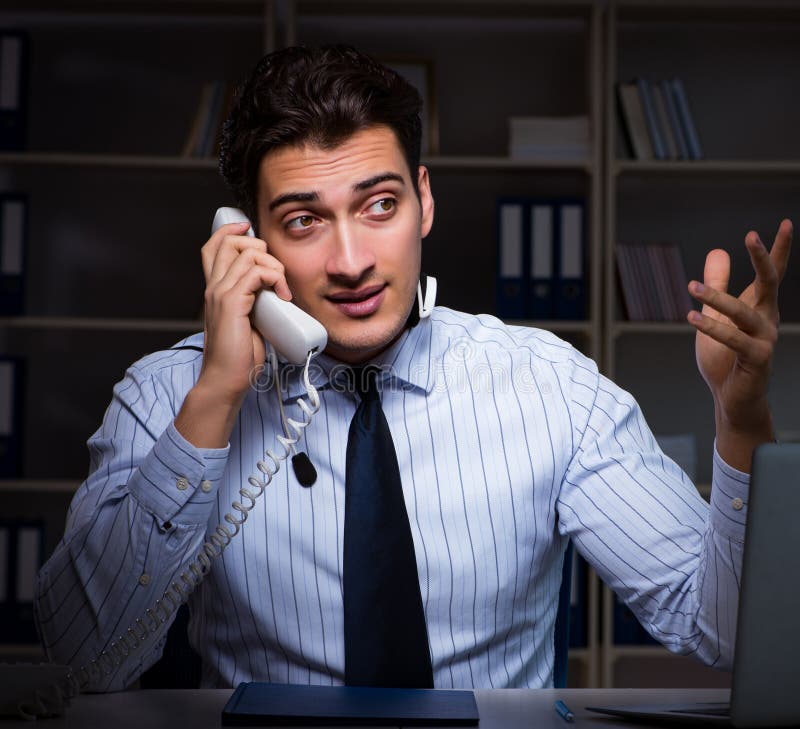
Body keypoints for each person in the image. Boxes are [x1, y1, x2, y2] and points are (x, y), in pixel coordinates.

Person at [34, 45, 792, 692]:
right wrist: (217, 398)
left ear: (424, 203)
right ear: (247, 241)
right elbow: (84, 661)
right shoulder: (169, 393)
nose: (352, 260)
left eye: (379, 205)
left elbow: (722, 633)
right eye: (303, 221)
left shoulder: (552, 388)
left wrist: (740, 417)